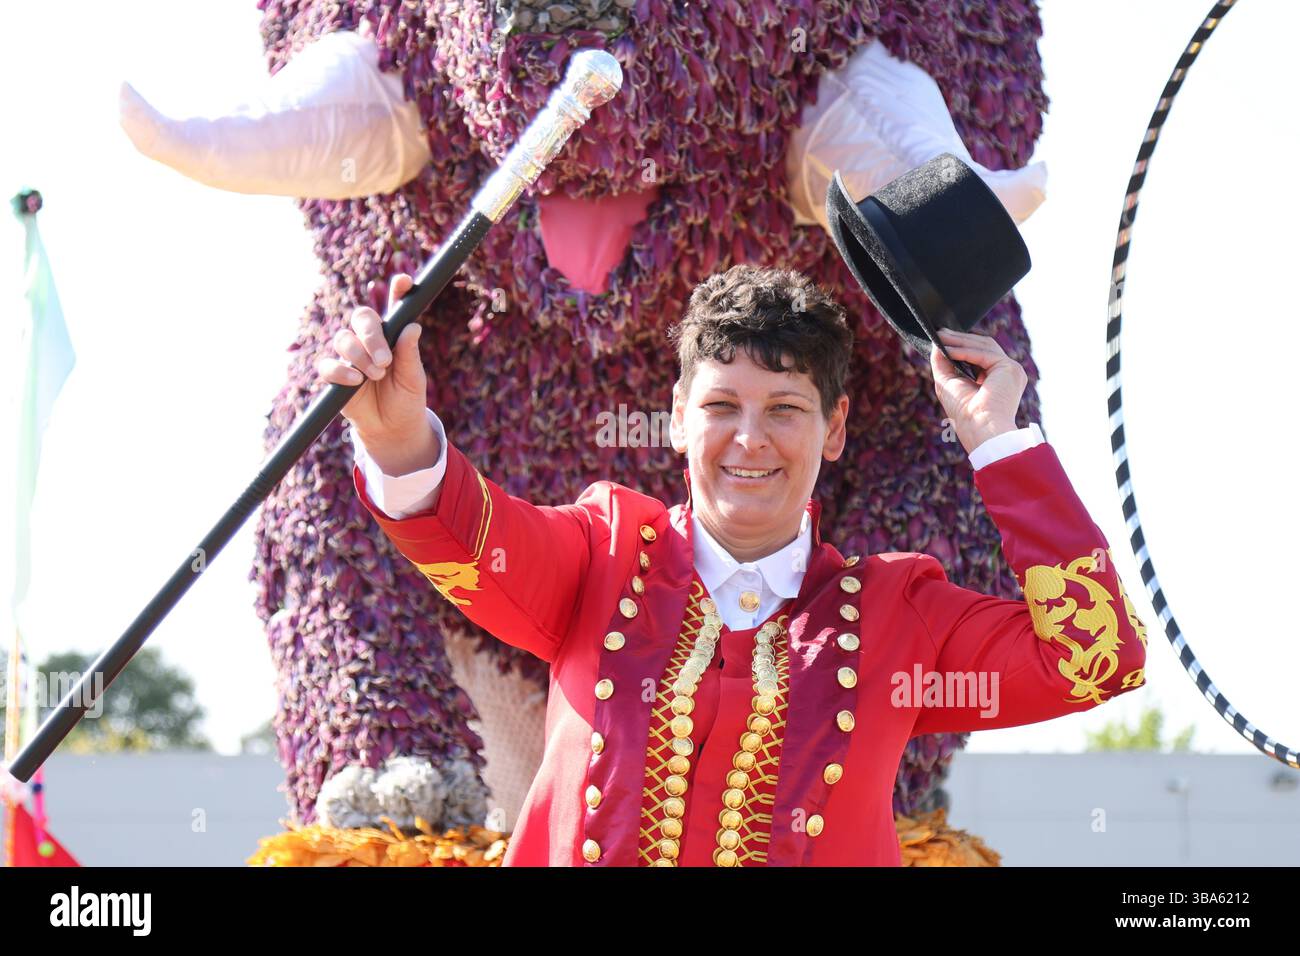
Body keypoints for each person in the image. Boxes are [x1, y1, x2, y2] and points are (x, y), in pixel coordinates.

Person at [316, 263, 1148, 866]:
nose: (749, 439)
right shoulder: (602, 556)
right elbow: (472, 535)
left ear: (837, 427)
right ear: (677, 419)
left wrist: (998, 443)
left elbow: (1095, 657)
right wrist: (397, 440)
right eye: (720, 407)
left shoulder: (901, 615)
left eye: (786, 410)